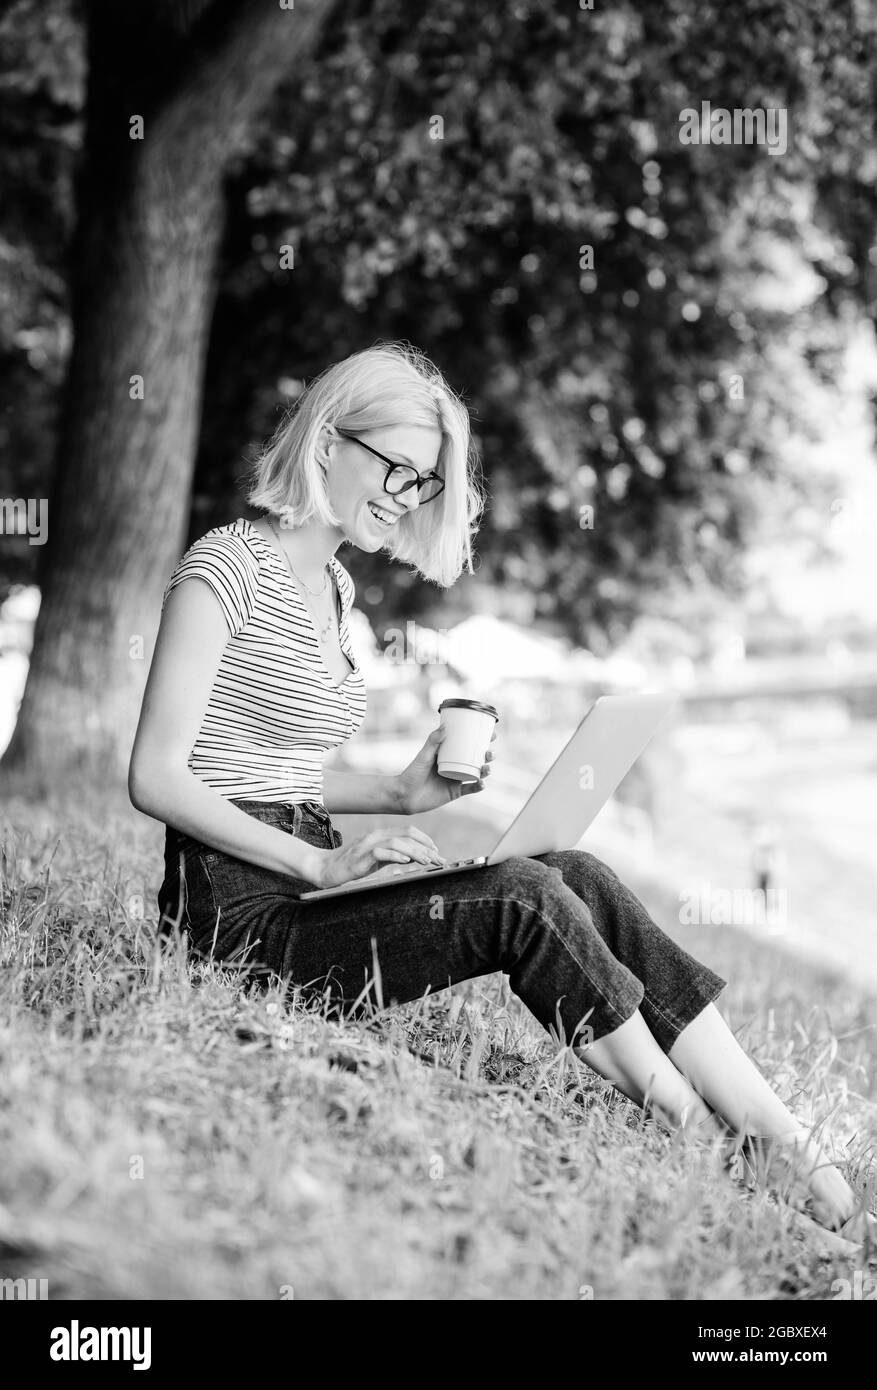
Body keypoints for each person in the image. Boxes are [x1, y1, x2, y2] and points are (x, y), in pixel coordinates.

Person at [128, 342, 872, 1248]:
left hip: (294, 882)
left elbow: (270, 763)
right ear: (328, 441)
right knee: (523, 900)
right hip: (236, 917)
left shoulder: (332, 589)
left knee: (573, 873)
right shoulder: (225, 568)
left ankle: (780, 1139)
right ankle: (705, 1146)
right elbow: (159, 775)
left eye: (421, 483)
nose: (405, 496)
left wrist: (405, 793)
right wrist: (319, 862)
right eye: (397, 468)